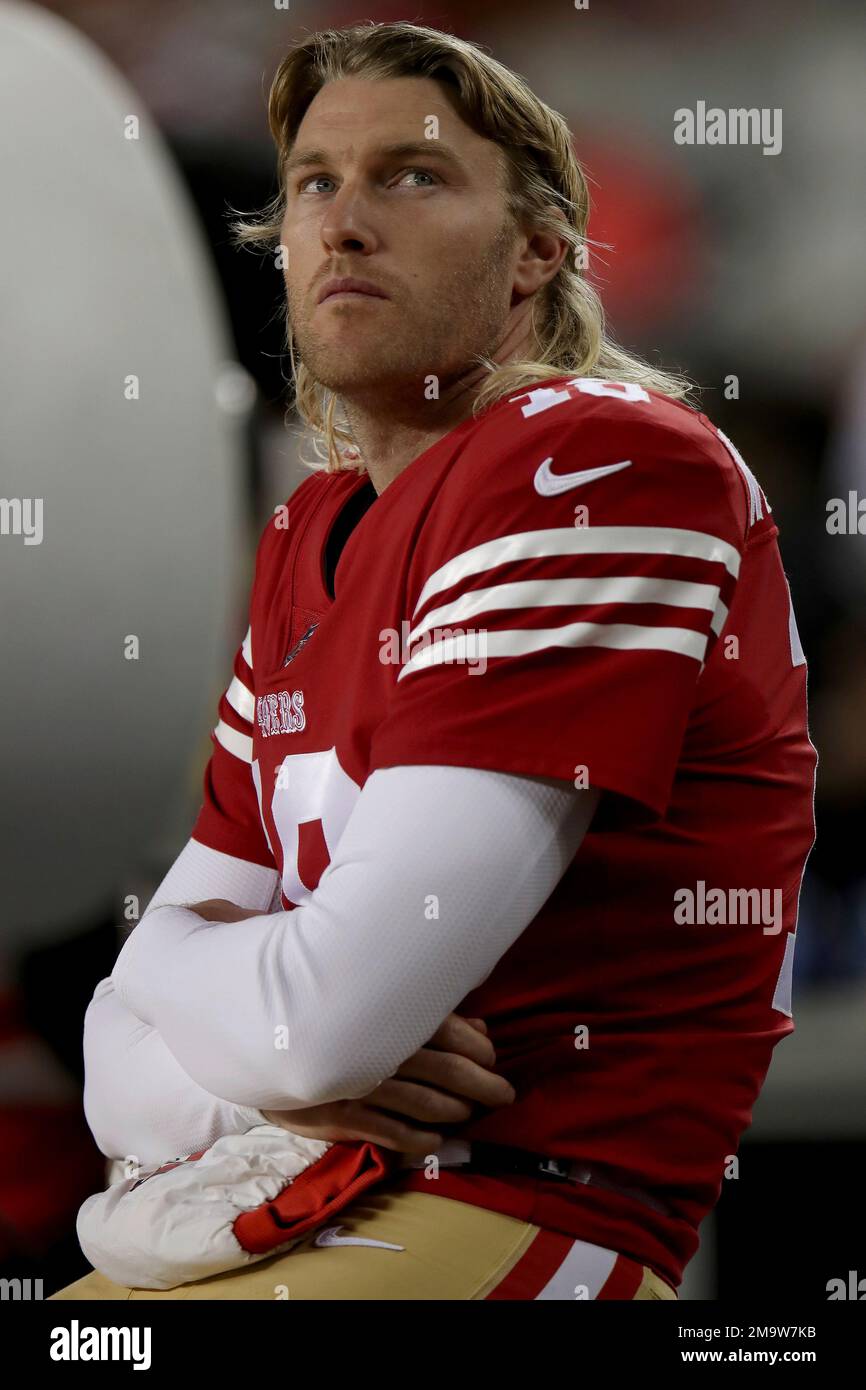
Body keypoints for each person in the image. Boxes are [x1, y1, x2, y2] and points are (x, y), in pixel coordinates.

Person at [54, 21, 816, 1301]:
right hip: (294, 1192)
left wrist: (194, 1002)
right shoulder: (312, 524)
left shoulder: (598, 458)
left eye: (410, 174)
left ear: (538, 249)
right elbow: (117, 1063)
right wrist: (250, 1041)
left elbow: (326, 1017)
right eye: (312, 182)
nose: (343, 222)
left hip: (514, 1198)